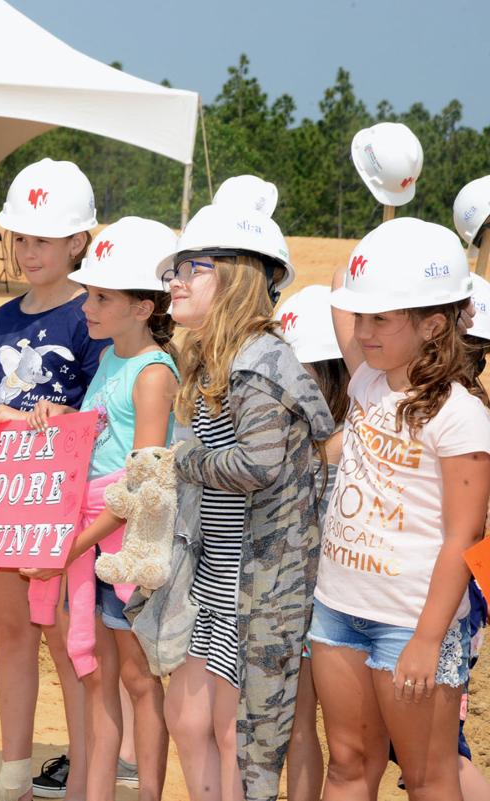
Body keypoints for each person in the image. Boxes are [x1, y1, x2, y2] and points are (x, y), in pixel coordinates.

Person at [156, 203, 331, 801]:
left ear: (238, 277)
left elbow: (258, 465)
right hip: (218, 574)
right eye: (174, 268)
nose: (175, 280)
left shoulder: (258, 362)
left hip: (257, 586)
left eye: (192, 267)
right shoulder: (215, 358)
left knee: (243, 738)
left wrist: (182, 463)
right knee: (186, 718)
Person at [314, 217, 490, 801]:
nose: (363, 331)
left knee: (428, 777)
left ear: (433, 323)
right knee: (346, 764)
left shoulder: (460, 414)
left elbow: (464, 537)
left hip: (411, 623)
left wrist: (426, 638)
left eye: (380, 318)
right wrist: (380, 280)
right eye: (361, 316)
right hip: (337, 607)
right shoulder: (369, 377)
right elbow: (345, 280)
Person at [0, 159, 106, 801]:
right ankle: (15, 768)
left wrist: (59, 416)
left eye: (44, 238)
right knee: (12, 632)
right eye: (21, 237)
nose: (29, 250)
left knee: (71, 641)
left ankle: (85, 770)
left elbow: (103, 412)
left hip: (63, 506)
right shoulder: (3, 317)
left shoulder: (92, 313)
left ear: (78, 241)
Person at [21, 217, 180, 801]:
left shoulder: (153, 373)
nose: (88, 305)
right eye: (89, 293)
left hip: (122, 546)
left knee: (137, 681)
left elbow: (145, 484)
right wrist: (69, 421)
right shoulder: (115, 359)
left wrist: (72, 545)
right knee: (101, 680)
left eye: (102, 296)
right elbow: (108, 442)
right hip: (96, 534)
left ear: (144, 307)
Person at [275, 284, 349, 801]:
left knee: (344, 742)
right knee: (299, 724)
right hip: (299, 599)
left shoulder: (356, 433)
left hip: (343, 604)